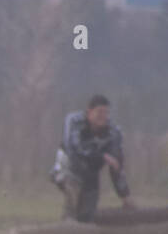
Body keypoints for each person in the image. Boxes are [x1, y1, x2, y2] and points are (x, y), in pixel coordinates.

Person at [51, 94, 137, 222]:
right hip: (68, 167)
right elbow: (74, 148)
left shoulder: (113, 133)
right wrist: (102, 156)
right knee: (73, 194)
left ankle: (84, 228)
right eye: (99, 112)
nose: (103, 116)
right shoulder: (73, 121)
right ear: (89, 112)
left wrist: (124, 195)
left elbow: (116, 165)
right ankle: (68, 223)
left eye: (106, 112)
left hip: (91, 172)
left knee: (87, 214)